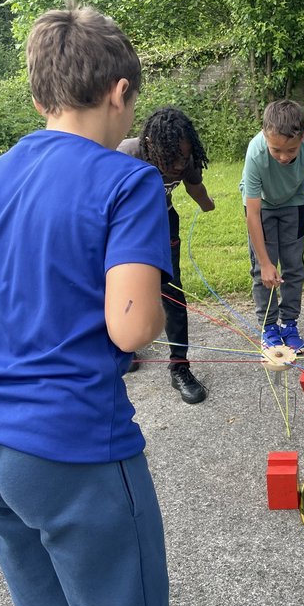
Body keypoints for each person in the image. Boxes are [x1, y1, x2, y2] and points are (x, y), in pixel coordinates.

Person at [0, 4, 171, 606]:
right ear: (120, 91)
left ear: (40, 94)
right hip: (70, 451)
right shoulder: (127, 179)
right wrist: (148, 320)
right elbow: (131, 328)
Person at [118, 107, 214, 404]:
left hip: (164, 221)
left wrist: (206, 204)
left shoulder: (185, 157)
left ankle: (180, 368)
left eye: (182, 158)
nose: (177, 165)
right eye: (170, 158)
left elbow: (194, 185)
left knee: (171, 293)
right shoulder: (126, 154)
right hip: (126, 227)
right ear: (151, 145)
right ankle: (125, 345)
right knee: (122, 288)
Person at [239, 99, 304, 353]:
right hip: (263, 206)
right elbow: (253, 214)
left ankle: (289, 324)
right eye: (276, 149)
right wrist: (266, 262)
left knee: (294, 267)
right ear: (266, 136)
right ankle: (268, 328)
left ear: (302, 137)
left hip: (293, 204)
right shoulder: (256, 152)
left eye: (290, 150)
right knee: (262, 272)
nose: (283, 157)